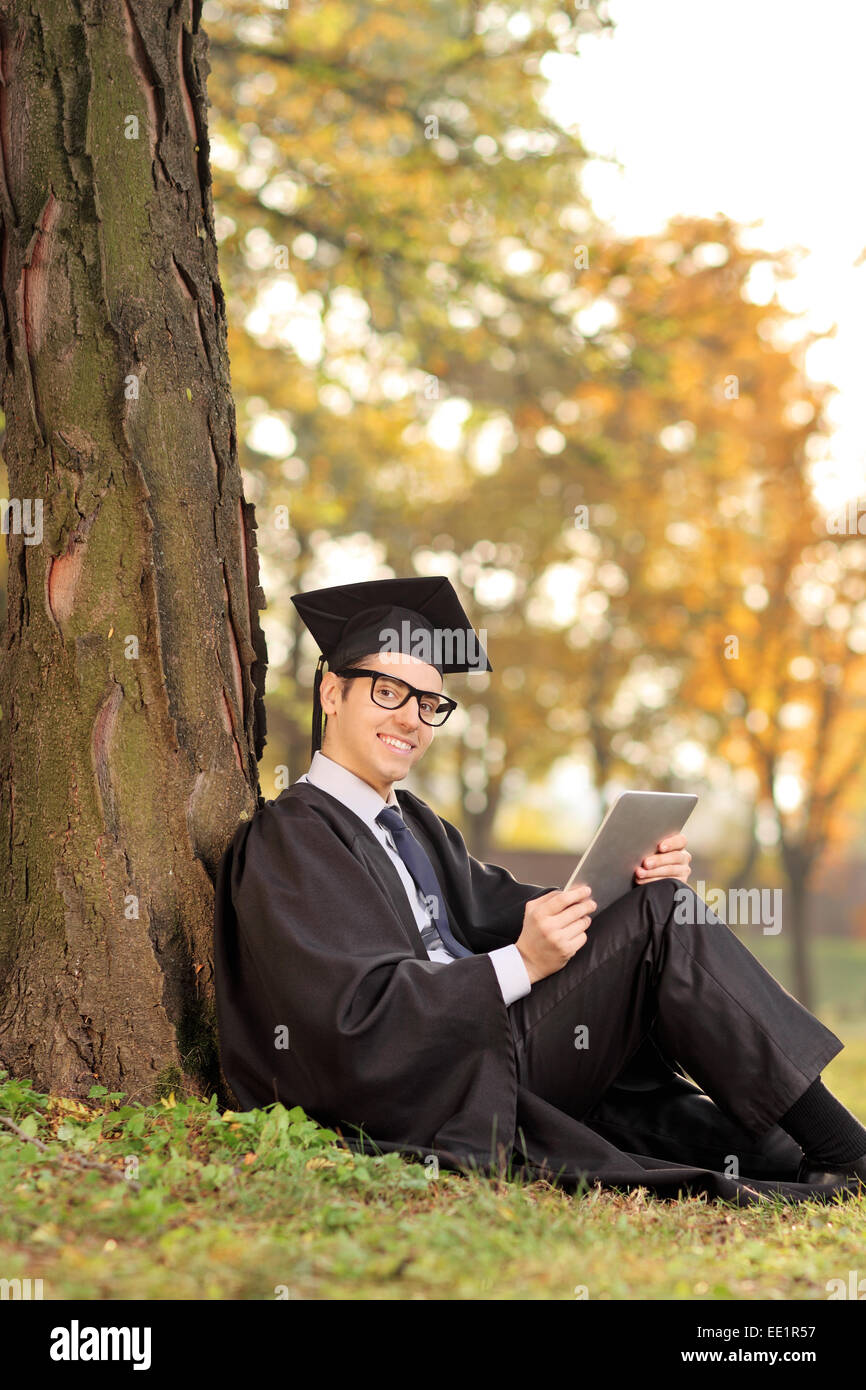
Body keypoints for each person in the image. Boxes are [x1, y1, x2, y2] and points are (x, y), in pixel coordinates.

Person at [213, 575, 866, 1206]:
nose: (411, 719)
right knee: (659, 917)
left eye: (428, 703)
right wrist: (523, 963)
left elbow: (511, 904)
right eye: (389, 691)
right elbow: (351, 1015)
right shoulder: (294, 836)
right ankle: (849, 1151)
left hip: (498, 1056)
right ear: (332, 693)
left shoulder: (414, 826)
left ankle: (834, 1157)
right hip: (431, 1087)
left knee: (762, 1143)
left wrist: (631, 882)